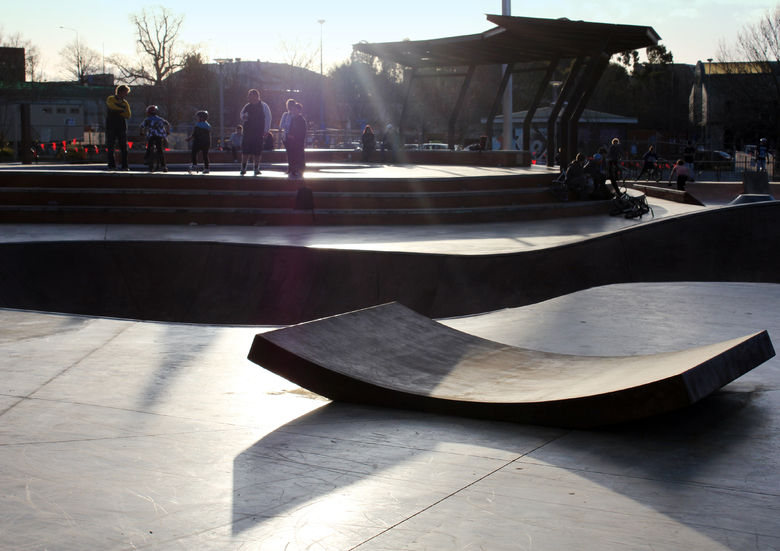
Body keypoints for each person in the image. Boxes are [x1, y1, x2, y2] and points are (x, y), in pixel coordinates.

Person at [239, 89, 272, 176]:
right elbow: (241, 115)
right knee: (245, 151)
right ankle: (243, 168)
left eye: (250, 95)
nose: (248, 97)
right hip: (247, 133)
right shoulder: (247, 106)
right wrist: (243, 117)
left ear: (256, 96)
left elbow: (268, 118)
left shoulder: (263, 106)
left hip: (258, 133)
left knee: (257, 152)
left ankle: (256, 169)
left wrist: (266, 131)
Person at [105, 84, 131, 170]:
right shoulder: (111, 98)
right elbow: (111, 106)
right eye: (125, 92)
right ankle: (111, 165)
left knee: (124, 147)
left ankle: (125, 166)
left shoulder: (125, 103)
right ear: (120, 92)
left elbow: (128, 114)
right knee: (110, 146)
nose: (126, 94)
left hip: (121, 126)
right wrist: (121, 110)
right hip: (111, 126)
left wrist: (118, 110)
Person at [139, 104, 170, 172]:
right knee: (160, 150)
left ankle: (146, 159)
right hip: (160, 136)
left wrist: (141, 133)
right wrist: (167, 132)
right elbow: (167, 124)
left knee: (149, 147)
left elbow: (141, 126)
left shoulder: (147, 119)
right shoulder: (160, 119)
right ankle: (164, 166)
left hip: (151, 136)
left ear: (148, 112)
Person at [286, 101, 307, 178]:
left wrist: (294, 136)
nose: (293, 111)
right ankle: (292, 170)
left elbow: (302, 132)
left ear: (298, 110)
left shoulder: (301, 120)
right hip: (292, 142)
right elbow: (291, 129)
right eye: (292, 109)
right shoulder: (293, 119)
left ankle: (300, 170)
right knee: (292, 156)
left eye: (294, 109)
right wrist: (289, 135)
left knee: (299, 156)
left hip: (298, 142)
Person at [278, 98, 296, 173]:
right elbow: (281, 125)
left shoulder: (296, 115)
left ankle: (293, 168)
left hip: (293, 137)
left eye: (291, 105)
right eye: (288, 105)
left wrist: (287, 126)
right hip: (286, 137)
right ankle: (290, 168)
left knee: (293, 153)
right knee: (289, 153)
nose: (289, 107)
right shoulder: (285, 115)